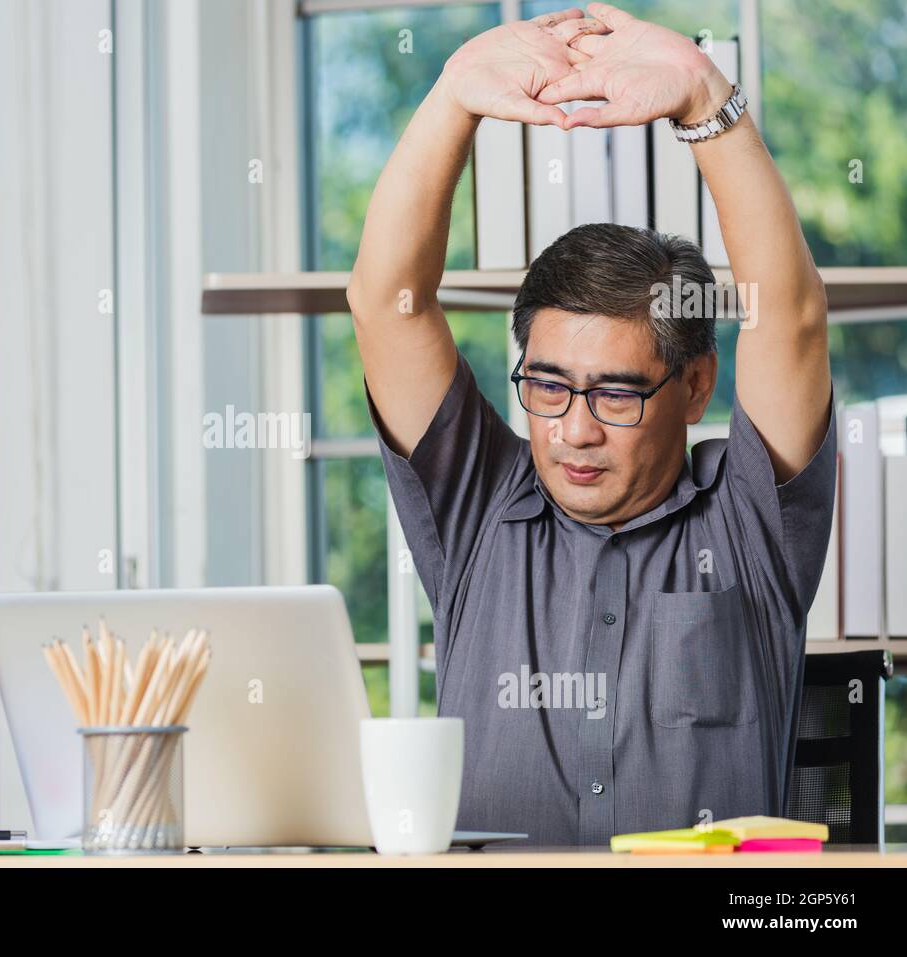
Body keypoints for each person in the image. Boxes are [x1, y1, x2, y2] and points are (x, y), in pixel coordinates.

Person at [347, 3, 835, 844]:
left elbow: (786, 316)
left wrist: (703, 98)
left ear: (693, 386)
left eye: (615, 394)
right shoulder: (479, 511)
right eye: (547, 386)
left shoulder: (753, 518)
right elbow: (385, 307)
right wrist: (453, 96)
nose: (573, 431)